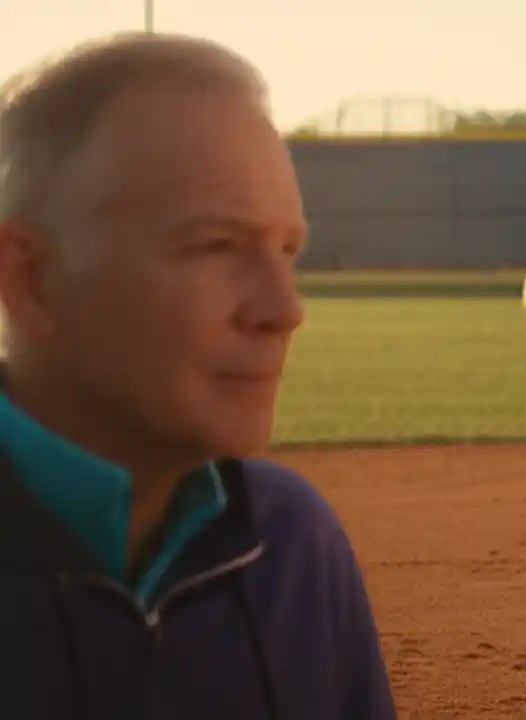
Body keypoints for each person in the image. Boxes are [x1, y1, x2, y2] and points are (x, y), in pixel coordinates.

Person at [0, 33, 394, 718]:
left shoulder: (295, 543)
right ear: (32, 279)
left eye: (288, 250)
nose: (286, 310)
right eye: (217, 245)